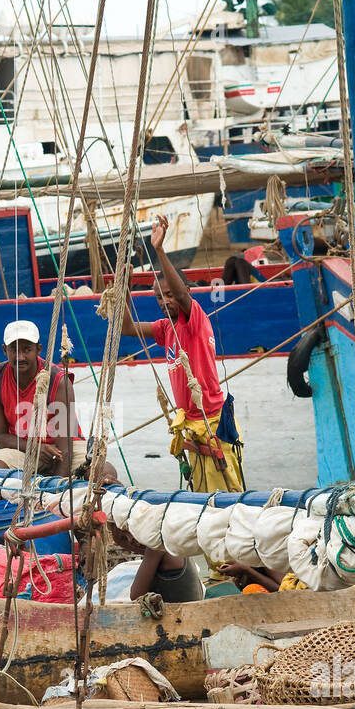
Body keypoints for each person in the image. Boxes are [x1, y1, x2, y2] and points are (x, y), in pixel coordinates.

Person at [121, 215, 245, 493]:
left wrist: (160, 250)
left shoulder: (194, 319)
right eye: (159, 298)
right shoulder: (166, 329)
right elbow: (126, 327)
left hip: (212, 422)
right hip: (192, 425)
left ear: (185, 293)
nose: (165, 301)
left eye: (170, 295)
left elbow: (183, 296)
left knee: (224, 494)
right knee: (202, 495)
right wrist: (124, 287)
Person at [0, 320, 89, 478]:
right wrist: (35, 447)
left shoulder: (58, 380)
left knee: (102, 471)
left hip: (66, 446)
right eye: (14, 350)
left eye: (27, 350)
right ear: (4, 350)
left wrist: (55, 490)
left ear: (38, 349)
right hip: (24, 448)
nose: (20, 357)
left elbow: (65, 449)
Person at [109, 526, 203, 603]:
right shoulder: (173, 544)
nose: (130, 540)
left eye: (129, 530)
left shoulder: (156, 547)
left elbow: (135, 595)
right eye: (123, 538)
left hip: (178, 620)